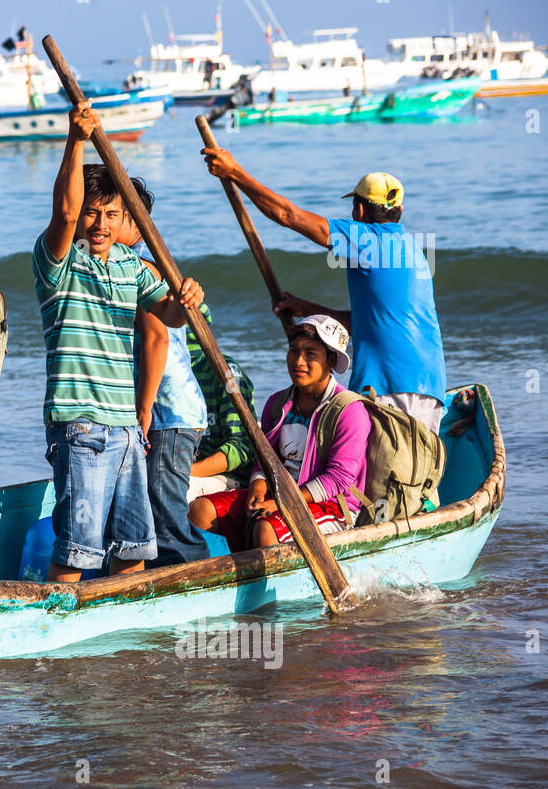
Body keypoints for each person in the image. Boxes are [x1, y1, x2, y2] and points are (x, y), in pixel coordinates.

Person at [35, 100, 204, 582]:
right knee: (76, 551)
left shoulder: (131, 265)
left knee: (133, 550)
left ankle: (125, 643)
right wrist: (76, 140)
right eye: (94, 213)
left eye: (111, 213)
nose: (101, 224)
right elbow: (65, 214)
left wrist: (186, 297)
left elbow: (165, 314)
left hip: (126, 427)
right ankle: (55, 641)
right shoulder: (58, 262)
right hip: (80, 424)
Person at [199, 150, 446, 434]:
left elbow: (288, 215)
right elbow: (373, 322)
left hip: (390, 384)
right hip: (430, 384)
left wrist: (234, 172)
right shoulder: (413, 250)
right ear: (398, 212)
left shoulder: (367, 239)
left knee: (373, 473)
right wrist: (309, 310)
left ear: (360, 211)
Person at [189, 315, 369, 551]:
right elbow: (265, 461)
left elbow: (338, 478)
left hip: (332, 507)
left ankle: (272, 586)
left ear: (331, 360)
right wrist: (258, 489)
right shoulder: (277, 403)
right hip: (279, 498)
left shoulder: (349, 410)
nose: (299, 361)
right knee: (200, 510)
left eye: (310, 354)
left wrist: (282, 503)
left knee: (265, 529)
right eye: (294, 351)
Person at [118, 177, 210, 567]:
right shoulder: (126, 269)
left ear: (137, 227)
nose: (97, 226)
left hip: (168, 412)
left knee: (165, 511)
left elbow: (156, 340)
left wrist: (144, 409)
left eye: (113, 216)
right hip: (164, 410)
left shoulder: (140, 271)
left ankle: (197, 581)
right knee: (153, 509)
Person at [184, 304, 257, 500]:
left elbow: (242, 446)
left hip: (227, 476)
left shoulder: (225, 374)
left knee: (177, 491)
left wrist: (187, 472)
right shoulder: (155, 371)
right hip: (183, 469)